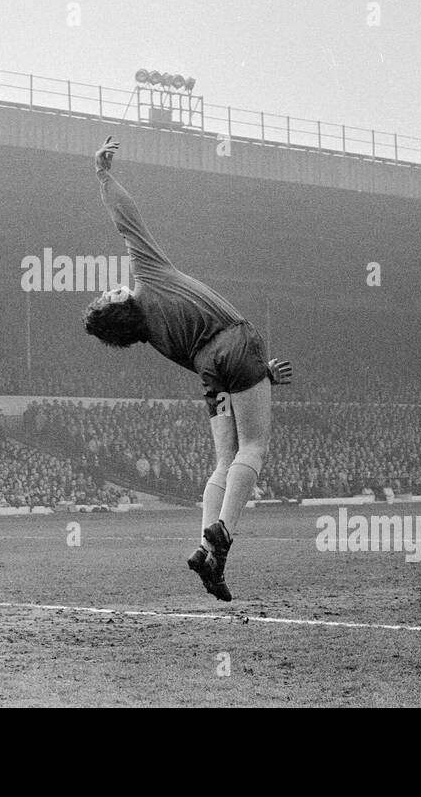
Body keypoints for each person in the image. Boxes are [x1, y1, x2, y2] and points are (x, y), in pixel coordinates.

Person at [83, 136, 294, 601]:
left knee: (223, 459)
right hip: (235, 343)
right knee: (254, 448)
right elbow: (127, 219)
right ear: (118, 302)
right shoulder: (149, 273)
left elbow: (213, 364)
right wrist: (103, 175)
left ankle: (206, 550)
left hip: (211, 371)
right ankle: (224, 529)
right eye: (104, 296)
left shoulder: (153, 336)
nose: (107, 290)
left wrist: (258, 375)